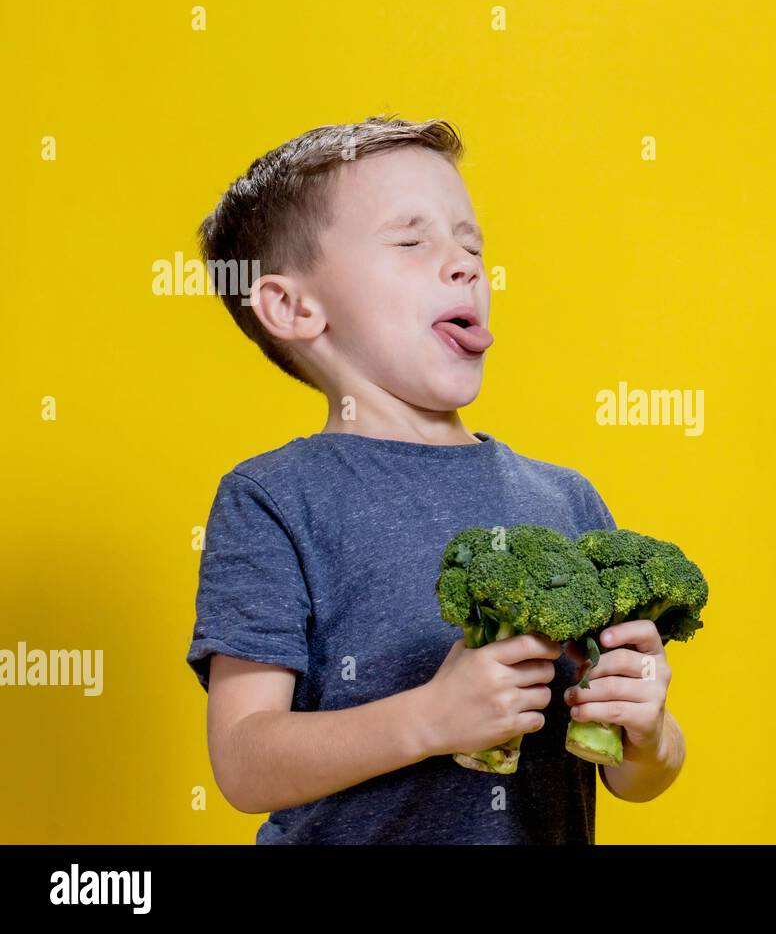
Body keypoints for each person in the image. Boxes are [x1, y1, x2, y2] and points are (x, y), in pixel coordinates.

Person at [185, 115, 685, 843]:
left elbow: (635, 778)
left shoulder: (565, 499)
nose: (466, 264)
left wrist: (650, 731)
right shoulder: (275, 499)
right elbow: (244, 759)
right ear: (293, 306)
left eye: (471, 242)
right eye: (412, 241)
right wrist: (428, 718)